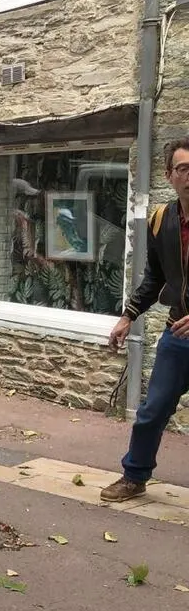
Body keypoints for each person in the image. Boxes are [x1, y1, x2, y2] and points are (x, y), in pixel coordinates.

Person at [101, 138, 189, 502]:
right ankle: (134, 476)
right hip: (178, 333)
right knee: (152, 410)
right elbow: (154, 278)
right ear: (169, 175)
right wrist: (128, 317)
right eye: (183, 169)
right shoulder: (160, 221)